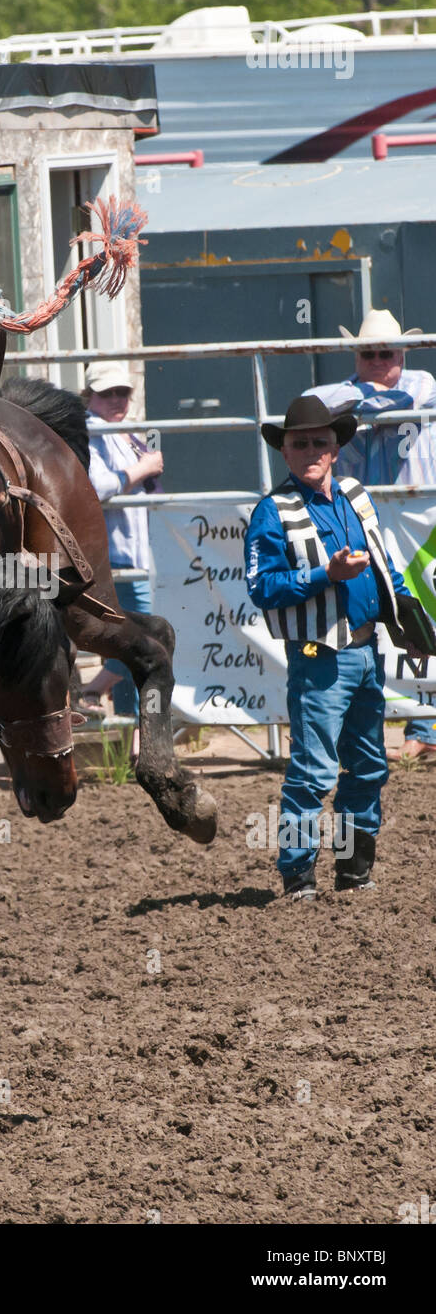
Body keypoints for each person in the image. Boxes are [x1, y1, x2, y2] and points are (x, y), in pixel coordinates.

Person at [245, 395, 414, 901]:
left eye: (320, 441)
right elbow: (262, 587)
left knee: (367, 766)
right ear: (286, 451)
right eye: (300, 443)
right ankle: (298, 877)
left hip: (365, 653)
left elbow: (385, 565)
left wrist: (409, 619)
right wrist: (326, 574)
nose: (311, 450)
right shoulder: (272, 511)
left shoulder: (356, 497)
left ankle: (353, 871)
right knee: (314, 771)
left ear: (336, 447)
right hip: (318, 654)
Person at [306, 308, 436, 762]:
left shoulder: (422, 383)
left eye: (387, 352)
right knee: (365, 621)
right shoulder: (339, 391)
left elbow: (395, 400)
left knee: (420, 617)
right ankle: (367, 730)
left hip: (418, 520)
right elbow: (313, 403)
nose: (379, 360)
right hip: (362, 519)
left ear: (403, 353)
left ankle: (425, 725)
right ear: (355, 355)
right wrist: (363, 398)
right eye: (369, 353)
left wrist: (362, 400)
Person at [80, 361, 163, 755]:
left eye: (122, 392)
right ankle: (91, 689)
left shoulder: (125, 432)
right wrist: (141, 468)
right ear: (90, 397)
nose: (116, 399)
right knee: (146, 642)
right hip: (115, 556)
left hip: (130, 553)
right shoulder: (92, 429)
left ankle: (131, 746)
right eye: (106, 393)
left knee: (132, 640)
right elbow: (95, 488)